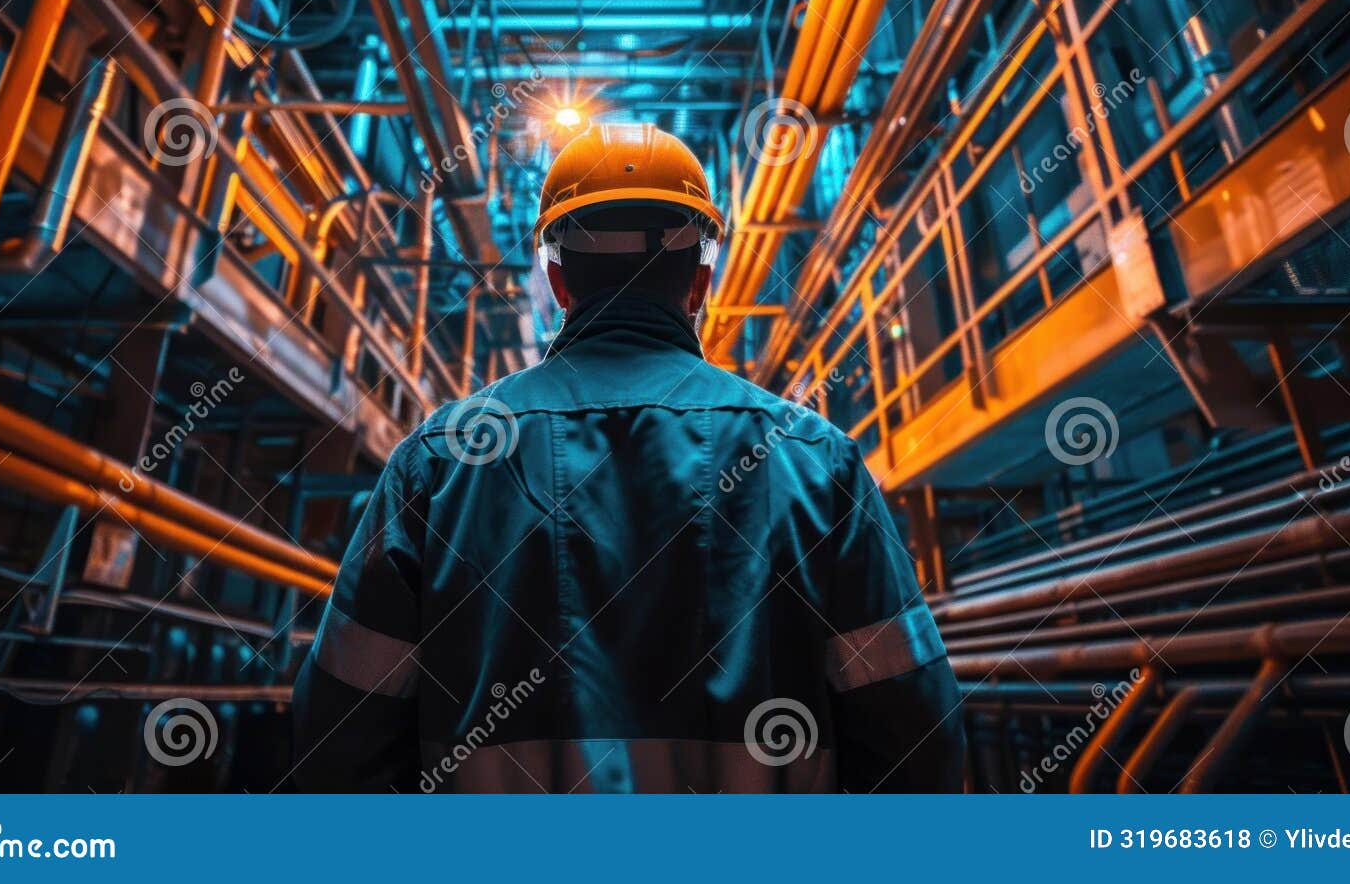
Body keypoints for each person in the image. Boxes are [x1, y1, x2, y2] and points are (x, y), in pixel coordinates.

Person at [292, 122, 964, 792]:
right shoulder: (816, 463)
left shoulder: (440, 463)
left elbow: (337, 747)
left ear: (557, 280)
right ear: (700, 282)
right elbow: (919, 748)